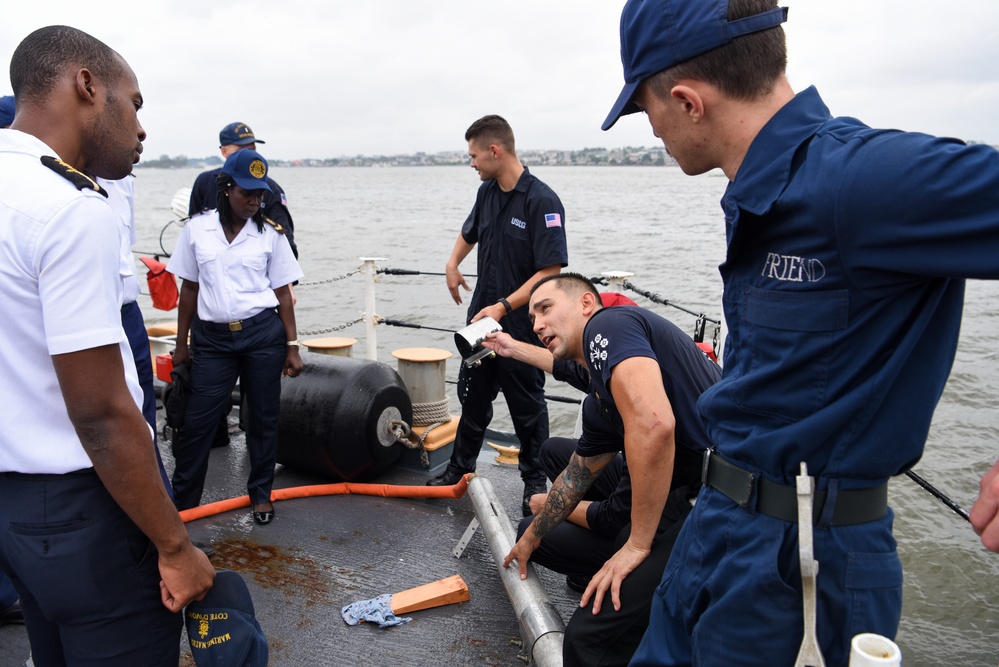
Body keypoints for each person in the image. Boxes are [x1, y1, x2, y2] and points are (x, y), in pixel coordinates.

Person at [599, 1, 999, 665]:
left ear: (687, 101)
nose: (652, 133)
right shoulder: (761, 190)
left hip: (804, 565)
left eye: (644, 112)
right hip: (716, 527)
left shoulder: (858, 179)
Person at [0, 25, 214, 666]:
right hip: (84, 510)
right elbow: (98, 412)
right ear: (87, 86)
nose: (142, 129)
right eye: (136, 103)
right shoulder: (68, 207)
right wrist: (176, 548)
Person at [486, 274, 720, 667]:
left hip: (717, 496)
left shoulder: (608, 325)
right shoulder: (599, 392)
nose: (538, 323)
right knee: (546, 528)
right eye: (531, 318)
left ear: (586, 304)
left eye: (545, 308)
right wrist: (530, 540)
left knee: (588, 642)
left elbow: (654, 425)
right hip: (680, 494)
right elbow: (576, 476)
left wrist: (638, 545)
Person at [427, 115, 569, 516]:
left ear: (495, 150)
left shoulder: (541, 200)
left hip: (522, 326)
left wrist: (506, 306)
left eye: (474, 155)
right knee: (472, 396)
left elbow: (551, 270)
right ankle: (459, 470)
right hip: (480, 323)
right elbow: (469, 232)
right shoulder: (487, 192)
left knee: (527, 408)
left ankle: (534, 482)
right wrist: (453, 263)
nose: (470, 163)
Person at [168, 148, 304, 522]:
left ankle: (260, 493)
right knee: (198, 423)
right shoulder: (197, 230)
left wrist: (292, 347)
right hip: (212, 341)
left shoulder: (271, 236)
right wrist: (182, 345)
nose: (255, 201)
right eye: (247, 193)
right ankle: (182, 506)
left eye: (260, 194)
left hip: (262, 336)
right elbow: (189, 290)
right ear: (227, 189)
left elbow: (282, 294)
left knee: (263, 417)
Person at [99, 173, 174, 495]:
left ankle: (155, 494)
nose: (140, 132)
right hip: (90, 308)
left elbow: (123, 246)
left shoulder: (121, 179)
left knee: (143, 404)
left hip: (127, 310)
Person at [189, 122, 297, 258]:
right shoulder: (205, 182)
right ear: (224, 151)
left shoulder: (270, 189)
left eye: (252, 149)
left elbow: (286, 243)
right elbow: (193, 232)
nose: (248, 155)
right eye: (242, 149)